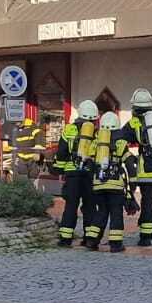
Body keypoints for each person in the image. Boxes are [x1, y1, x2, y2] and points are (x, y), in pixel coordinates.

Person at [123, 88, 152, 247]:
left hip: (145, 172)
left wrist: (128, 157)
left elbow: (119, 141)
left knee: (147, 203)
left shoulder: (133, 123)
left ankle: (145, 238)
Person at [54, 100, 99, 247]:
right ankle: (89, 239)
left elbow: (61, 152)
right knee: (90, 206)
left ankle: (65, 238)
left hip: (72, 174)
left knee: (71, 206)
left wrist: (60, 170)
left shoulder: (69, 130)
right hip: (89, 174)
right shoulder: (97, 133)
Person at [84, 110, 130, 252]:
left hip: (99, 184)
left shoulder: (96, 142)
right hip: (115, 185)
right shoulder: (121, 142)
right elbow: (129, 161)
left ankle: (92, 240)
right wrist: (133, 183)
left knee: (101, 212)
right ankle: (116, 245)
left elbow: (89, 163)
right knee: (116, 213)